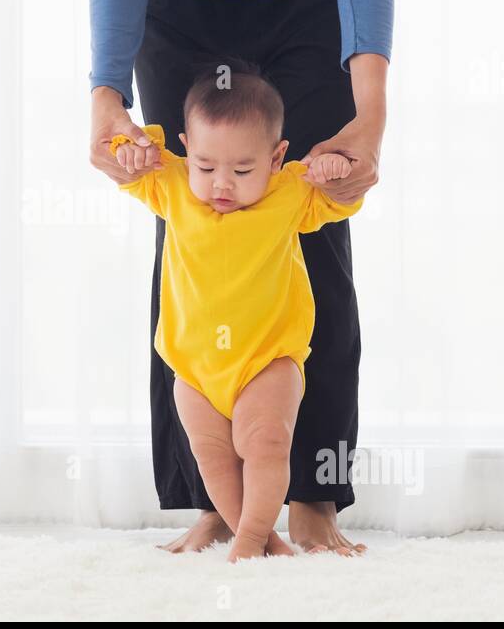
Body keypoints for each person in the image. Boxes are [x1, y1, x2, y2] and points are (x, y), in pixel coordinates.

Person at [87, 0, 396, 555]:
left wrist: (371, 113)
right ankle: (216, 501)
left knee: (313, 237)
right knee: (193, 234)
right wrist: (105, 95)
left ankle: (315, 494)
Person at [106, 62, 365, 561]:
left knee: (267, 442)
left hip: (267, 361)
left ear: (276, 158)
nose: (221, 183)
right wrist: (130, 148)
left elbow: (340, 198)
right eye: (206, 166)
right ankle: (263, 536)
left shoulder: (290, 192)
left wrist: (334, 170)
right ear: (187, 149)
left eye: (243, 170)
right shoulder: (174, 185)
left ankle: (248, 543)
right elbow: (131, 162)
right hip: (195, 369)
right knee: (214, 459)